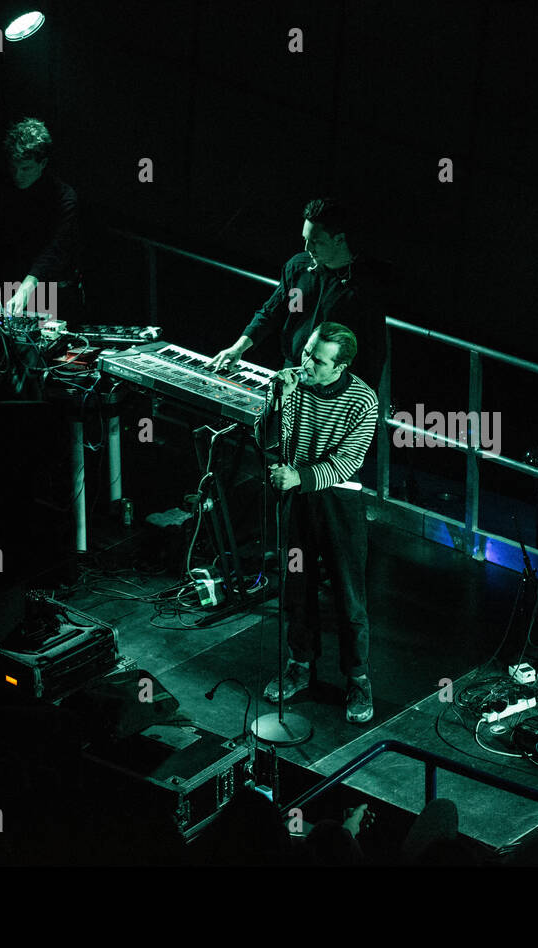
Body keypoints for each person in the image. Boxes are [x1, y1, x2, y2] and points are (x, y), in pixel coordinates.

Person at [259, 322, 379, 723]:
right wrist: (278, 401)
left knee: (348, 596)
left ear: (340, 366)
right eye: (307, 352)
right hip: (298, 499)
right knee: (297, 586)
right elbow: (269, 440)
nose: (306, 363)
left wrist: (301, 477)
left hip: (338, 499)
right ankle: (300, 663)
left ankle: (358, 677)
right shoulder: (290, 385)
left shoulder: (363, 399)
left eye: (318, 359)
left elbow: (350, 460)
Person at [212, 198, 388, 390]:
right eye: (306, 239)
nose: (307, 248)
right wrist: (238, 348)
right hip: (292, 372)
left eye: (316, 242)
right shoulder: (298, 267)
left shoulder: (365, 288)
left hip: (331, 384)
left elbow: (374, 354)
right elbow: (270, 312)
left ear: (339, 239)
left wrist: (364, 399)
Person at [0, 117, 82, 321]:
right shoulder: (4, 191)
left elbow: (56, 249)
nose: (17, 175)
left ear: (43, 163)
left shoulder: (65, 197)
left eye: (26, 168)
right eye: (14, 167)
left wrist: (27, 286)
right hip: (12, 288)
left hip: (54, 294)